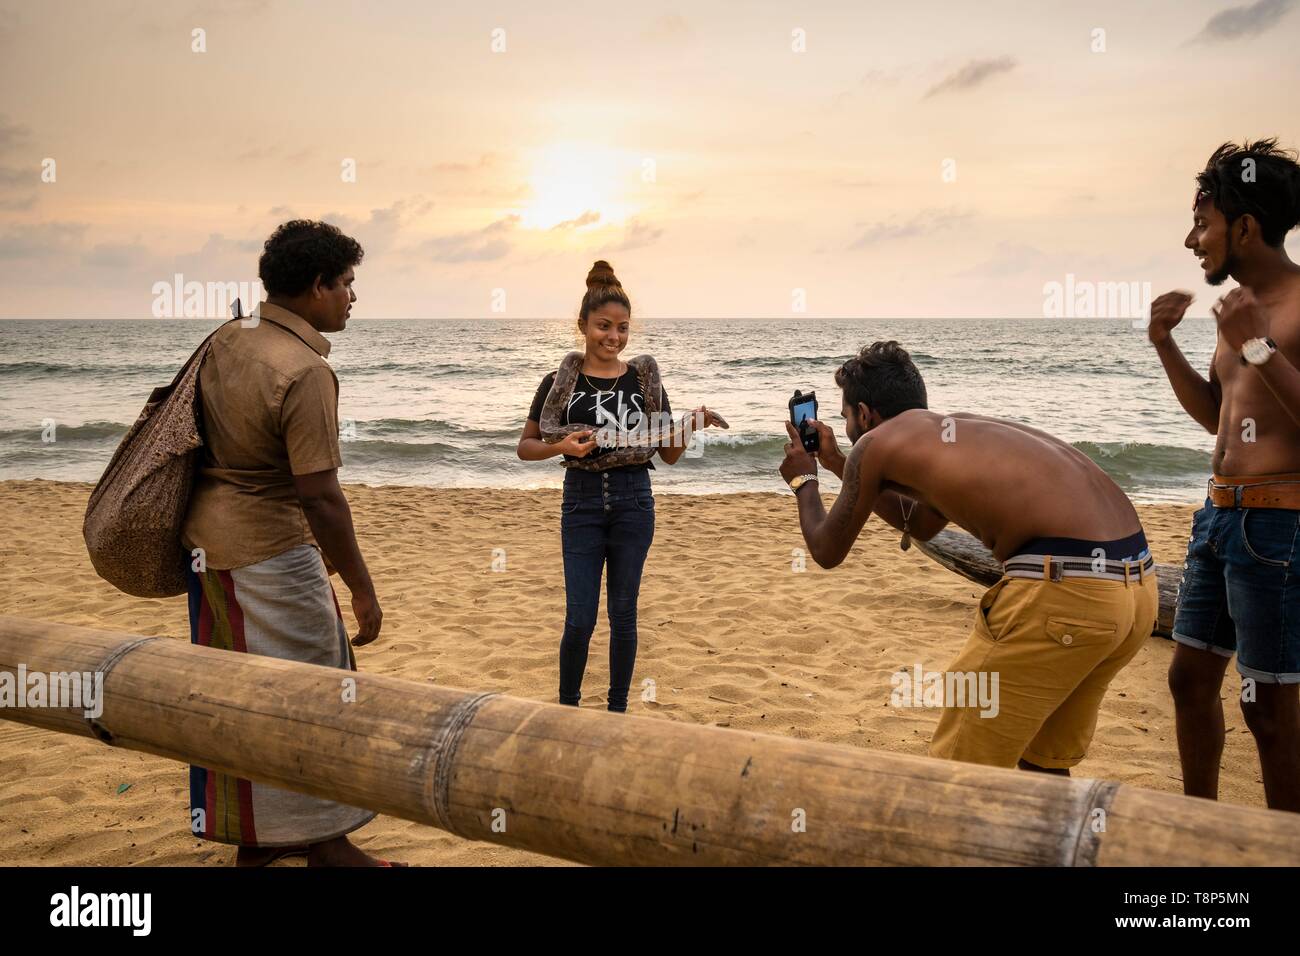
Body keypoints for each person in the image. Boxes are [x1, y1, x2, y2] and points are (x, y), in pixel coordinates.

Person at [778, 341, 1158, 774]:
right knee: (1040, 762)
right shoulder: (953, 435)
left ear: (865, 414)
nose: (845, 426)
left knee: (960, 773)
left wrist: (803, 479)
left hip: (1065, 594)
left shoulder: (876, 442)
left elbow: (827, 551)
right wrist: (833, 463)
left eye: (845, 417)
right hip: (1133, 590)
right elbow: (919, 524)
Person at [181, 220, 402, 865]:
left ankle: (275, 844)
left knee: (242, 697)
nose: (353, 298)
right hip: (270, 551)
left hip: (208, 547)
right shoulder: (304, 371)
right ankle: (325, 848)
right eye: (347, 284)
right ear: (317, 286)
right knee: (315, 697)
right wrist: (361, 587)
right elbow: (320, 496)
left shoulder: (228, 338)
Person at [1148, 138, 1300, 812]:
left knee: (1268, 710)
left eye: (1202, 222)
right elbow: (1218, 418)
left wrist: (1261, 347)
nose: (1191, 239)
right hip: (1218, 516)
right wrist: (1164, 345)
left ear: (1245, 227)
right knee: (1188, 679)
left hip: (1279, 526)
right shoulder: (1237, 310)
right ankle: (1199, 828)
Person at [517, 260, 726, 712]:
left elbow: (666, 454)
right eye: (603, 327)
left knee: (624, 616)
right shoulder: (559, 381)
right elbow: (527, 446)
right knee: (579, 619)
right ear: (583, 326)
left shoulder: (643, 378)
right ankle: (567, 709)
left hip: (635, 502)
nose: (613, 337)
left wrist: (691, 424)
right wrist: (563, 450)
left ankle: (617, 711)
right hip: (582, 504)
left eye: (622, 328)